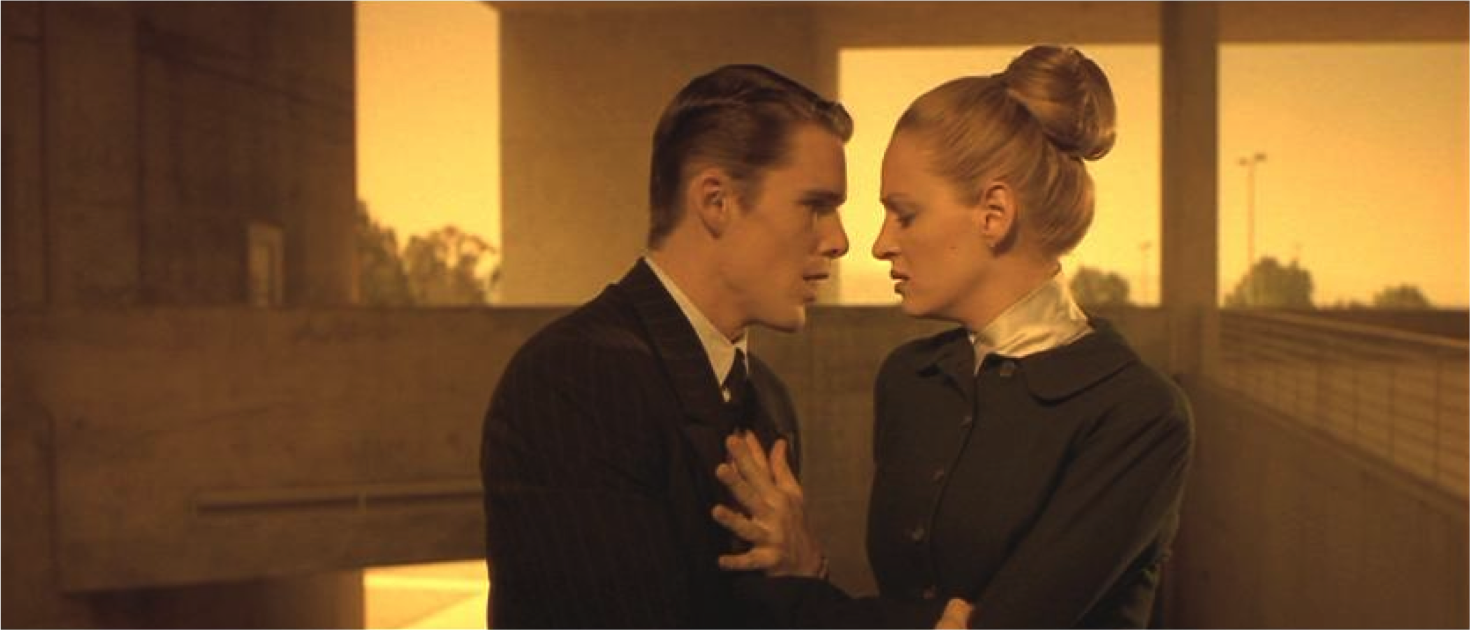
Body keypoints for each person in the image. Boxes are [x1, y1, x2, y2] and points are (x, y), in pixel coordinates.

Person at [712, 45, 1194, 629]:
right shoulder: (911, 380)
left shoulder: (1137, 414)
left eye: (905, 214)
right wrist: (809, 572)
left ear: (993, 213)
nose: (880, 244)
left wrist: (806, 587)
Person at [479, 64, 852, 629]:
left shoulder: (768, 397)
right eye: (816, 205)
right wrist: (804, 581)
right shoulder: (574, 380)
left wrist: (806, 573)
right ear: (716, 201)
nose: (839, 239)